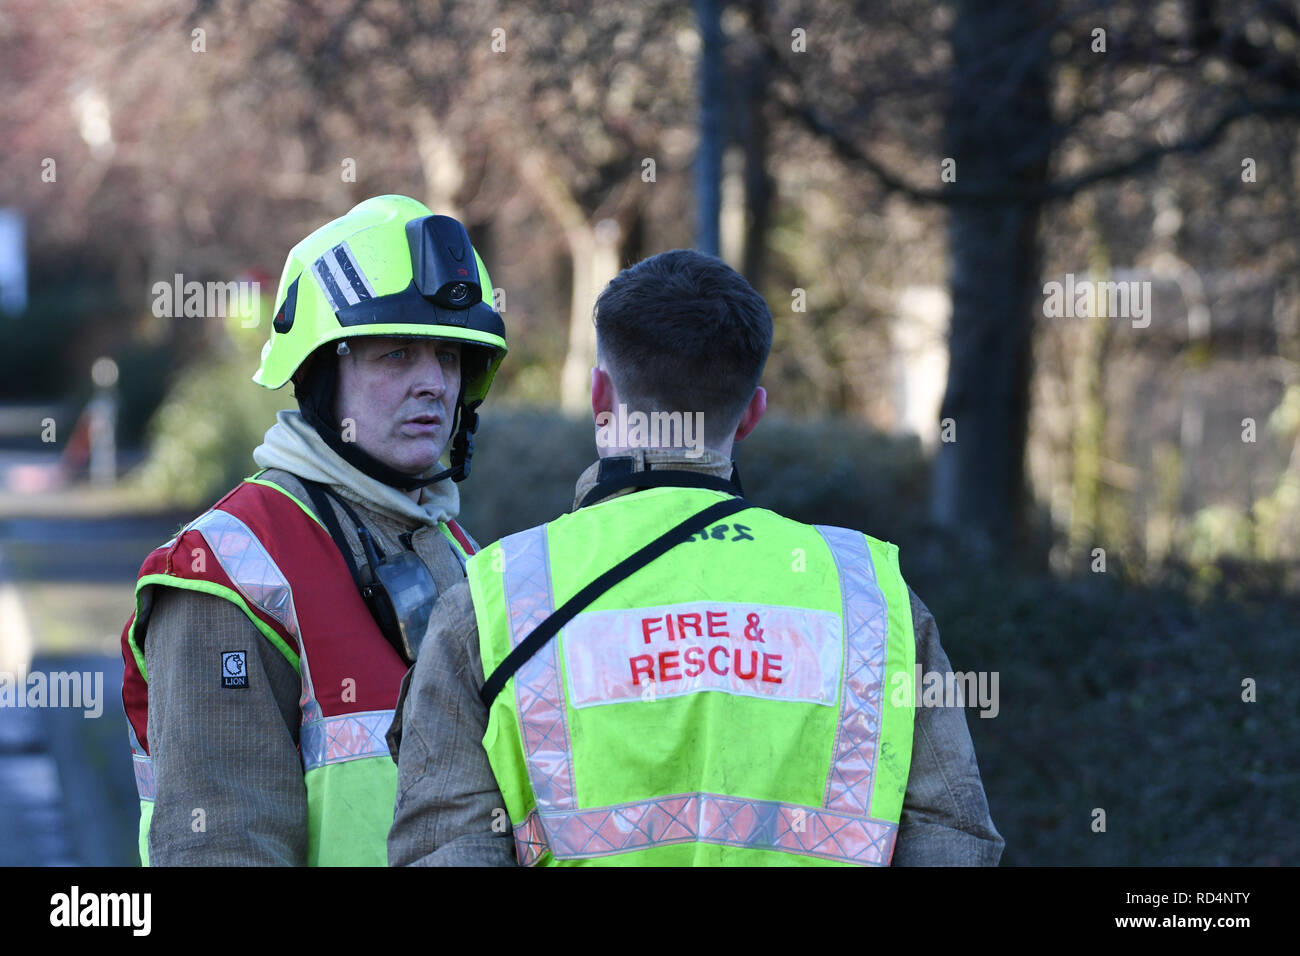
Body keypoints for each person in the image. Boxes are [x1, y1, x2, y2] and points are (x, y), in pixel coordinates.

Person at [388, 249, 1003, 866]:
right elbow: (951, 838)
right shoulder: (874, 600)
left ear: (601, 395)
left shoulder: (494, 601)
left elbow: (448, 849)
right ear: (752, 415)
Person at [119, 195, 507, 865]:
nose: (433, 385)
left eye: (448, 357)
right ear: (322, 375)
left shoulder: (461, 554)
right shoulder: (228, 570)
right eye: (394, 354)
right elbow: (224, 849)